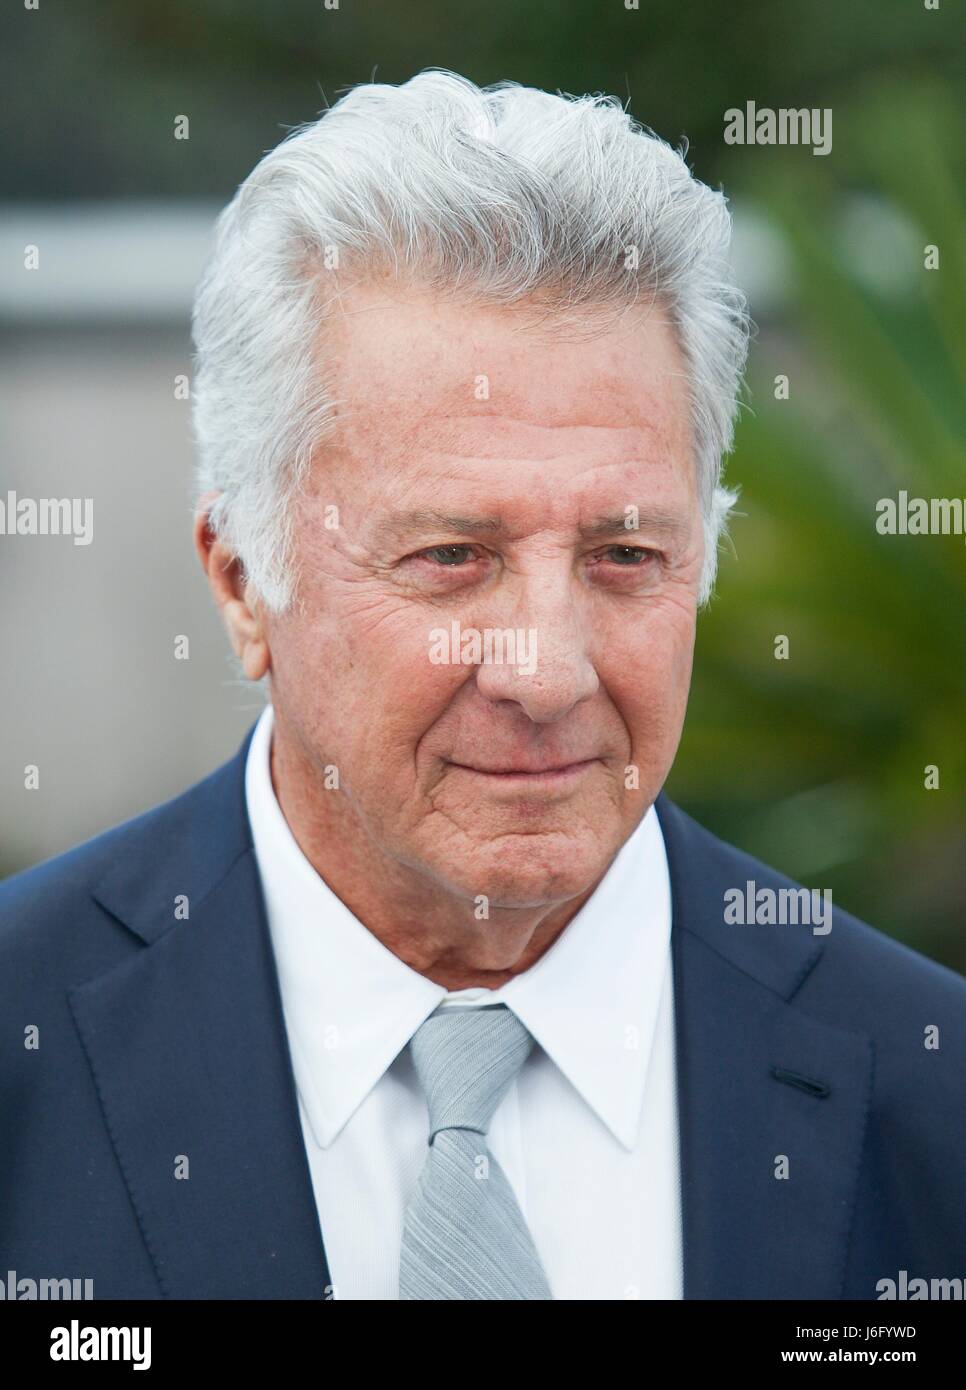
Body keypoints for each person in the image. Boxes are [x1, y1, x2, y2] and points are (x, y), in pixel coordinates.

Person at [2, 70, 964, 1301]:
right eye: (452, 557)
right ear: (245, 583)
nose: (547, 669)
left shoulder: (930, 1091)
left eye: (625, 557)